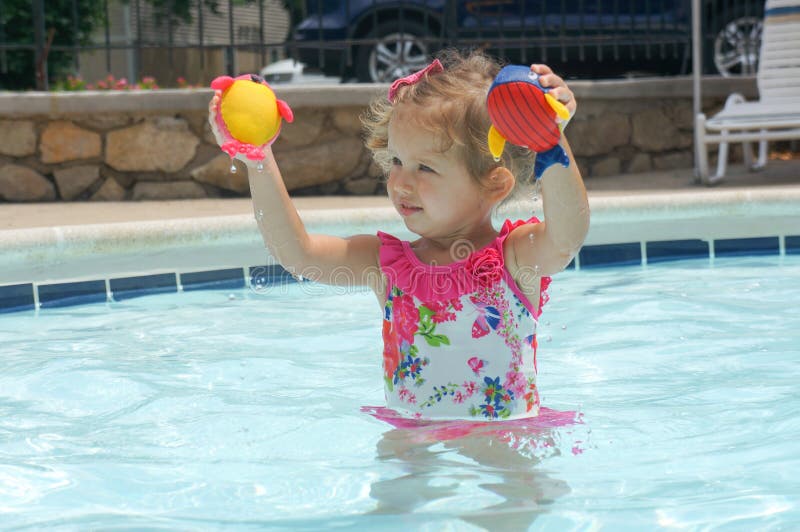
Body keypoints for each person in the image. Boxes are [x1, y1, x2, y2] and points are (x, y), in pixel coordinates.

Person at [208, 49, 589, 422]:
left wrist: (550, 140)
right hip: (413, 436)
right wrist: (258, 160)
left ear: (494, 185)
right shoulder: (386, 265)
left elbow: (566, 237)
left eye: (425, 167)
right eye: (397, 161)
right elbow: (299, 255)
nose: (401, 182)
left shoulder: (514, 258)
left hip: (506, 435)